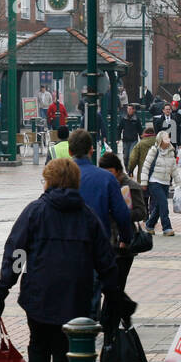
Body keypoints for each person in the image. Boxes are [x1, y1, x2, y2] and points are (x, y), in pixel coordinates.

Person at [0, 157, 120, 362]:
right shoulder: (86, 216)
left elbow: (17, 252)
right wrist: (115, 293)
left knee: (38, 345)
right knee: (63, 352)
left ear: (48, 180)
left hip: (39, 293)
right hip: (75, 295)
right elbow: (104, 259)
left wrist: (3, 288)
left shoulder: (35, 212)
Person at [70, 129, 132, 316]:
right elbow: (122, 214)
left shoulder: (62, 176)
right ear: (91, 150)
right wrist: (126, 238)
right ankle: (88, 333)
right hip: (96, 247)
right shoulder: (106, 178)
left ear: (70, 152)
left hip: (65, 246)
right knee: (92, 298)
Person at [98, 151, 146, 294]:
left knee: (117, 284)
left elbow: (141, 212)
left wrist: (120, 213)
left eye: (110, 171)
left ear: (118, 170)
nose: (107, 175)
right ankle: (119, 312)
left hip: (124, 242)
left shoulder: (131, 186)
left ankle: (120, 312)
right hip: (106, 240)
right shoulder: (103, 185)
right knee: (108, 285)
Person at [140, 130, 179, 236]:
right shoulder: (154, 150)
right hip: (155, 181)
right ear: (160, 140)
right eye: (166, 138)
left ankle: (149, 225)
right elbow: (146, 165)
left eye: (169, 137)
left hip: (165, 182)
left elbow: (174, 168)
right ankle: (167, 227)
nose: (168, 140)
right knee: (163, 203)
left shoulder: (171, 151)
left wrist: (178, 183)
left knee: (158, 205)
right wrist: (144, 182)